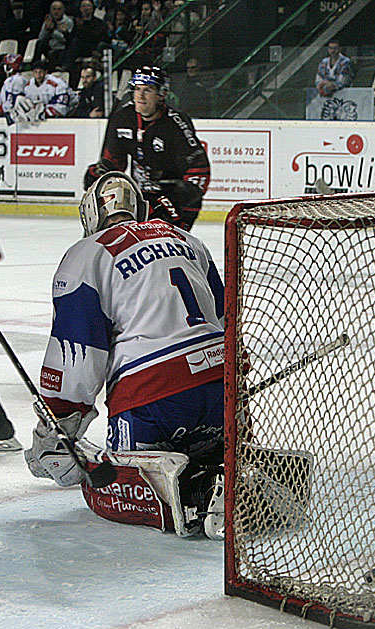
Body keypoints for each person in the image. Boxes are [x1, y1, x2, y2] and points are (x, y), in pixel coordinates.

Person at [25, 171, 225, 539]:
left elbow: (77, 360)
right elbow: (227, 320)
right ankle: (220, 471)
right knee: (205, 449)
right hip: (220, 391)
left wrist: (55, 435)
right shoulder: (189, 240)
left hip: (153, 398)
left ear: (90, 215)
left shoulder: (87, 253)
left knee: (104, 488)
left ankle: (196, 491)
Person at [84, 66, 211, 230]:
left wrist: (177, 199)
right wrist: (100, 175)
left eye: (147, 90)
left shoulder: (176, 123)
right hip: (142, 196)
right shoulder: (122, 118)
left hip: (173, 199)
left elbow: (199, 168)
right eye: (137, 89)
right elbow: (113, 161)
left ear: (161, 94)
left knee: (160, 241)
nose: (140, 95)